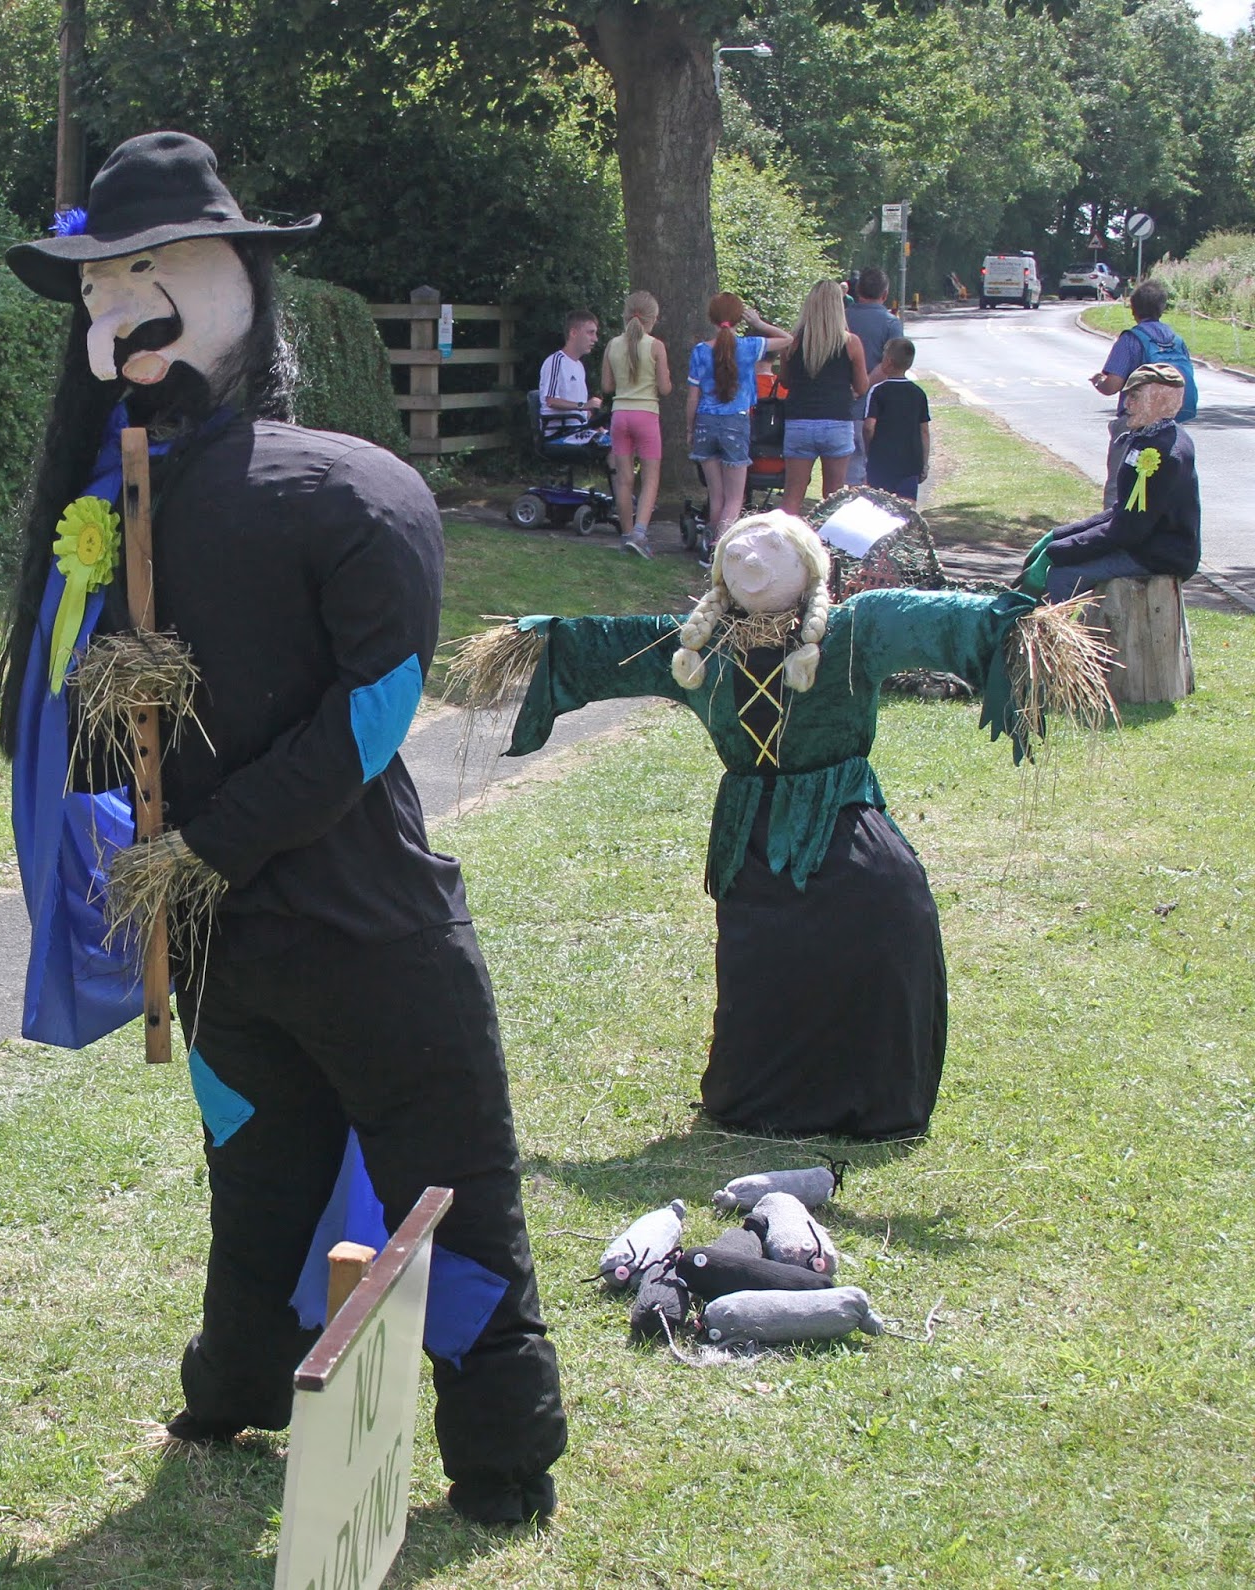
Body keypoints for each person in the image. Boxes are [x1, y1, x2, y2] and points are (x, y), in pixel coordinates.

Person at [0, 131, 566, 1525]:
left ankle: (500, 1454)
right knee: (255, 1177)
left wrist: (210, 846)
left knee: (455, 1186)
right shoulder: (100, 521)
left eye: (146, 274)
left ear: (243, 279)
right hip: (223, 964)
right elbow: (77, 751)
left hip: (373, 939)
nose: (115, 309)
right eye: (94, 291)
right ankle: (236, 1380)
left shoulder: (351, 492)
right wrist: (101, 701)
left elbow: (375, 715)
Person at [459, 512, 1104, 1139]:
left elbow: (946, 624)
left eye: (770, 548)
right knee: (762, 968)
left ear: (809, 565)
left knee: (875, 945)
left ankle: (871, 1100)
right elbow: (601, 646)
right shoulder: (693, 646)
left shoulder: (856, 631)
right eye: (737, 550)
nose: (751, 559)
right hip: (752, 840)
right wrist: (536, 640)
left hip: (845, 830)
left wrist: (1019, 626)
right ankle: (760, 1098)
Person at [1026, 363, 1199, 603]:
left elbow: (1128, 530)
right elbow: (1123, 510)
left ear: (1160, 400)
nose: (1127, 404)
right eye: (1126, 396)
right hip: (1144, 544)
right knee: (1056, 552)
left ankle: (1048, 639)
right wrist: (1058, 535)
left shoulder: (1161, 452)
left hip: (1158, 555)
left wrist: (1061, 550)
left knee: (1062, 576)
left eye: (1135, 396)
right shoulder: (1151, 438)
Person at [685, 292, 790, 562]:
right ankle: (719, 550)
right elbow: (789, 340)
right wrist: (760, 322)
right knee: (735, 498)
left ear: (712, 318)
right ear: (738, 318)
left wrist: (689, 428)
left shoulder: (699, 351)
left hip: (705, 423)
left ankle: (708, 541)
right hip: (736, 422)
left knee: (716, 495)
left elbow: (692, 398)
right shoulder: (749, 346)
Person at [1090, 279, 1193, 509]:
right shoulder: (1177, 341)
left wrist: (1099, 381)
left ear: (1134, 309)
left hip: (1133, 424)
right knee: (1165, 483)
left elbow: (1113, 385)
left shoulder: (1131, 339)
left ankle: (1112, 533)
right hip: (1170, 424)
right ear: (1161, 308)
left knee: (1119, 483)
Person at [779, 280, 870, 516]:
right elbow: (862, 385)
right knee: (834, 496)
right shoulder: (850, 343)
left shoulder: (793, 341)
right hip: (836, 420)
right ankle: (831, 547)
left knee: (792, 495)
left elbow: (786, 382)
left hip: (799, 420)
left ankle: (784, 545)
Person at [602, 289, 672, 559]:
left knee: (624, 479)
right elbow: (664, 389)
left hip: (620, 415)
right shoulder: (656, 346)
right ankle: (640, 534)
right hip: (646, 415)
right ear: (653, 319)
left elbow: (607, 386)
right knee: (651, 477)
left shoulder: (612, 345)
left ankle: (626, 533)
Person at [843, 268, 902, 487]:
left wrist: (855, 385)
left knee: (848, 471)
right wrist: (865, 384)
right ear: (885, 294)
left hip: (842, 405)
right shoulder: (890, 323)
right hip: (876, 408)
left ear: (857, 291)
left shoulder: (843, 318)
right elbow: (891, 363)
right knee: (874, 469)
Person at [862, 336, 931, 502]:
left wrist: (868, 449)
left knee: (880, 505)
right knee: (907, 507)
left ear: (888, 361)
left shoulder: (878, 391)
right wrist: (924, 463)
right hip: (910, 459)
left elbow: (869, 426)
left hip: (882, 459)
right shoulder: (918, 393)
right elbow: (924, 431)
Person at [538, 309, 606, 445]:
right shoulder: (556, 361)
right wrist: (584, 405)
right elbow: (551, 401)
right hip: (559, 433)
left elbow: (580, 410)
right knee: (613, 446)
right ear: (574, 333)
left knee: (619, 439)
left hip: (578, 429)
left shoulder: (579, 366)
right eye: (590, 333)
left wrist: (594, 421)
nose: (595, 339)